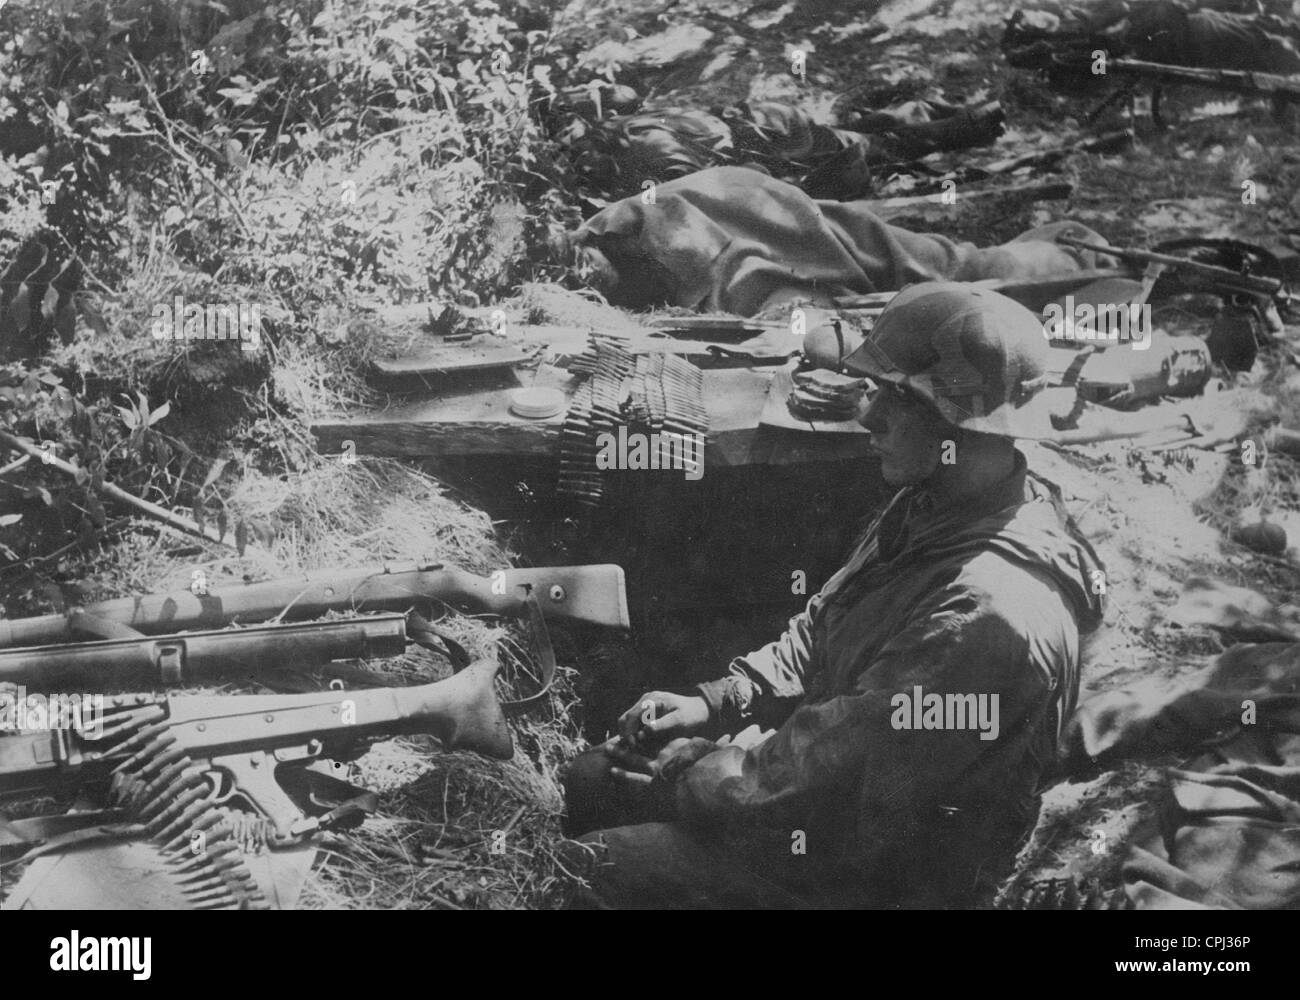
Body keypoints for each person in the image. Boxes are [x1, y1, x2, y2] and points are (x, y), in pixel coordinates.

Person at [562, 281, 1106, 909]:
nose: (868, 415)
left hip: (877, 878)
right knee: (592, 779)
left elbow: (825, 787)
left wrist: (692, 769)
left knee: (588, 874)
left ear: (961, 423)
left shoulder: (987, 617)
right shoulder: (938, 502)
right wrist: (721, 701)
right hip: (825, 808)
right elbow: (827, 623)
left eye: (896, 398)